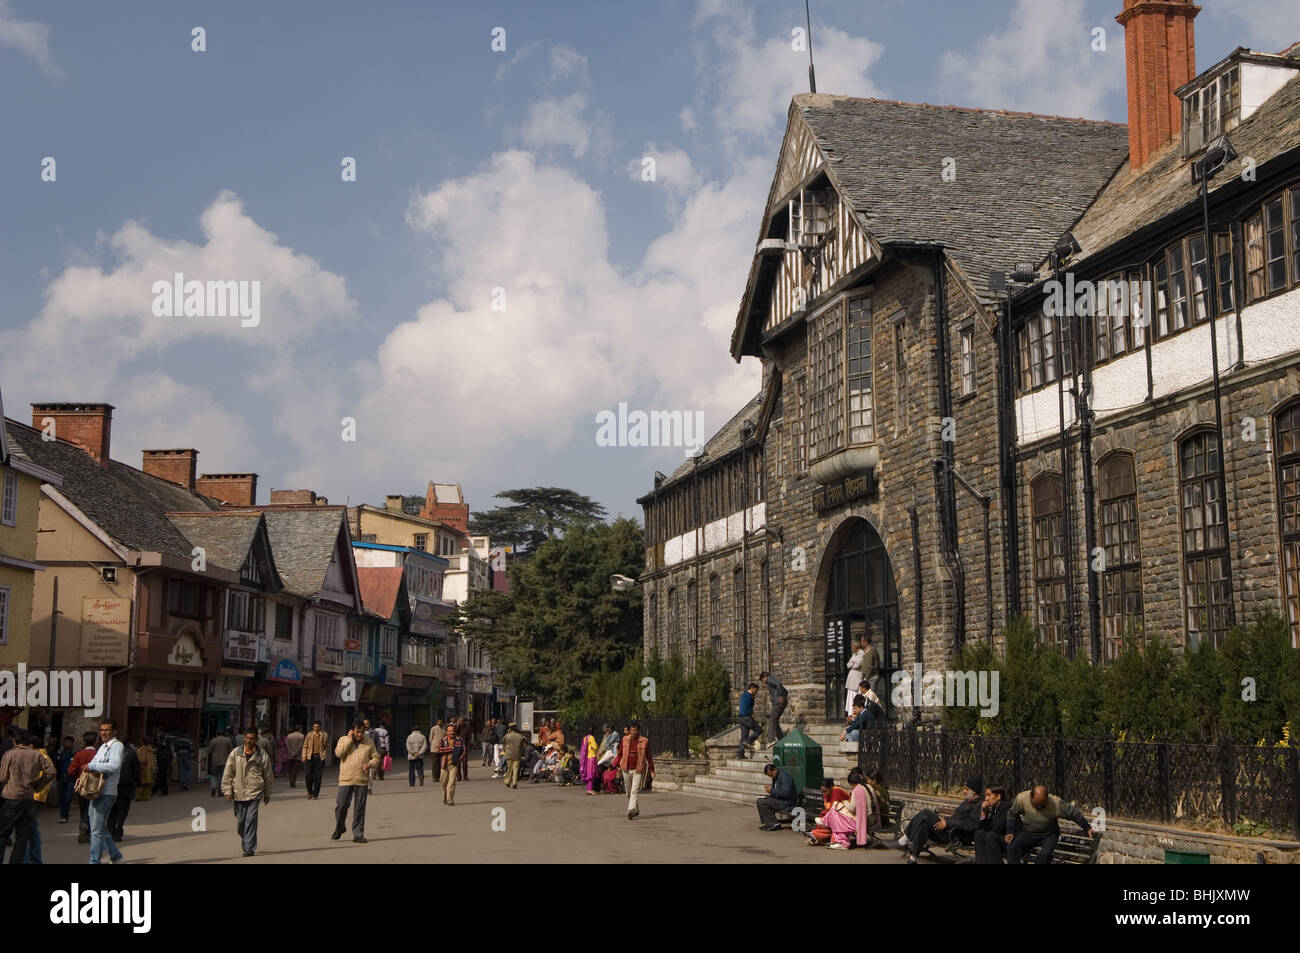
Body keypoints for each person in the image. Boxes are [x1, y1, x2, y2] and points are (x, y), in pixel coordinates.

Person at [898, 776, 983, 864]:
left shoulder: (978, 805)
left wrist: (947, 822)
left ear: (974, 791)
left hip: (954, 835)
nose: (964, 791)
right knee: (924, 825)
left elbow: (971, 824)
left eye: (966, 789)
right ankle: (913, 859)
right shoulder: (967, 801)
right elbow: (957, 817)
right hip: (948, 830)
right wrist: (945, 819)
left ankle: (904, 839)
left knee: (926, 813)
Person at [0, 730, 55, 864]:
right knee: (22, 837)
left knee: (3, 833)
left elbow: (2, 777)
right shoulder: (36, 755)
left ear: (15, 741)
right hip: (29, 798)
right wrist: (37, 785)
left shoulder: (10, 754)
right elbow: (51, 771)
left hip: (11, 797)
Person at [1005, 784, 1094, 864]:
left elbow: (1074, 814)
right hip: (1029, 833)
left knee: (1044, 856)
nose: (1039, 807)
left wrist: (1086, 827)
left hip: (1049, 835)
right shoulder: (1021, 799)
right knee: (1011, 848)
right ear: (1030, 797)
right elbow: (1012, 813)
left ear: (1047, 799)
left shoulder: (1056, 803)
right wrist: (1010, 831)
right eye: (1036, 804)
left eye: (1042, 804)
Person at [223, 727, 273, 857]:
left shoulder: (262, 755)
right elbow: (228, 773)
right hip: (238, 792)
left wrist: (267, 793)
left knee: (251, 819)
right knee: (241, 822)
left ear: (256, 739)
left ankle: (249, 847)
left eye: (252, 739)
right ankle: (246, 840)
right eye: (247, 738)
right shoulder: (235, 753)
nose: (249, 741)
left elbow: (268, 775)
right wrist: (227, 791)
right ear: (244, 738)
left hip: (254, 792)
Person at [86, 720, 126, 865]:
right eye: (102, 729)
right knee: (98, 828)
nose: (103, 732)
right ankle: (116, 856)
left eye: (107, 730)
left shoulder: (116, 746)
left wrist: (92, 765)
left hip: (106, 792)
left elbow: (114, 765)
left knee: (96, 831)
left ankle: (94, 861)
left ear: (114, 731)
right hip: (96, 791)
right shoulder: (103, 747)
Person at [332, 721, 378, 843]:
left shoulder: (369, 742)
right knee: (341, 806)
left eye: (362, 732)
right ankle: (340, 827)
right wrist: (349, 740)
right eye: (357, 732)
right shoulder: (343, 740)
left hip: (361, 780)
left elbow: (376, 757)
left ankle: (358, 834)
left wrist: (370, 764)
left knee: (359, 809)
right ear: (352, 731)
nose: (360, 734)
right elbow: (338, 753)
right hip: (345, 779)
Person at [821, 767, 878, 849]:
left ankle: (842, 841)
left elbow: (852, 808)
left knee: (836, 815)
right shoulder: (868, 786)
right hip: (872, 816)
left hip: (866, 819)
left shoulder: (857, 790)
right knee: (837, 811)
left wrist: (845, 802)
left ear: (851, 783)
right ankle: (826, 821)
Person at [108, 736, 141, 841]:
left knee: (112, 809)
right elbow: (136, 769)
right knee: (123, 808)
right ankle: (118, 829)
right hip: (126, 784)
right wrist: (139, 783)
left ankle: (110, 830)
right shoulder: (131, 753)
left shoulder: (110, 751)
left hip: (112, 784)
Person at [68, 731, 98, 843]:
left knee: (83, 808)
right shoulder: (98, 754)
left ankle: (84, 825)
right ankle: (86, 826)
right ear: (95, 742)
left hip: (81, 785)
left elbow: (71, 770)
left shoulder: (79, 755)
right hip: (95, 785)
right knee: (92, 808)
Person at [620, 722, 650, 821]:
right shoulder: (624, 739)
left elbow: (648, 756)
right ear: (629, 731)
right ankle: (636, 809)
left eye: (635, 730)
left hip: (638, 769)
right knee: (629, 793)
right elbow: (620, 753)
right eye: (632, 730)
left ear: (638, 730)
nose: (633, 732)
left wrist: (652, 769)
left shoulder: (644, 741)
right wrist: (615, 765)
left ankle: (630, 810)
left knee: (634, 791)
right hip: (626, 769)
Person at [756, 762, 798, 831]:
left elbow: (786, 793)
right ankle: (769, 823)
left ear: (774, 770)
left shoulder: (785, 777)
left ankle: (773, 823)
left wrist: (771, 790)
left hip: (786, 803)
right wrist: (770, 789)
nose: (771, 777)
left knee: (761, 802)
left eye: (771, 775)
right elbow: (776, 789)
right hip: (780, 799)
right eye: (770, 776)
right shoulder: (776, 776)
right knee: (760, 800)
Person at [974, 786, 1011, 864]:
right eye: (985, 795)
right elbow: (985, 828)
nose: (986, 798)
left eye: (989, 795)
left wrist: (987, 816)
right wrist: (984, 814)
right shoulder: (995, 807)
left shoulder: (1007, 806)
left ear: (998, 796)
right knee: (979, 833)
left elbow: (997, 829)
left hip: (1010, 841)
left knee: (990, 836)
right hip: (997, 838)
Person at [437, 721, 465, 806]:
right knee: (443, 783)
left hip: (453, 764)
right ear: (446, 732)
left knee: (451, 783)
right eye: (449, 731)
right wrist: (451, 749)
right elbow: (440, 750)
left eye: (452, 731)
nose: (451, 732)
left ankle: (450, 799)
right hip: (444, 764)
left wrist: (458, 759)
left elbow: (463, 751)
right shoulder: (443, 740)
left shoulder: (459, 740)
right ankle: (444, 798)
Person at [759, 671, 788, 746]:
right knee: (775, 719)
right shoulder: (772, 680)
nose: (764, 683)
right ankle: (780, 737)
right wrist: (784, 697)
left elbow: (779, 684)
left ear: (764, 677)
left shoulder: (769, 680)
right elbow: (786, 691)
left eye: (763, 681)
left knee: (772, 719)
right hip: (782, 702)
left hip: (777, 702)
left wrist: (781, 696)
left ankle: (771, 739)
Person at [301, 721, 328, 799]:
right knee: (308, 775)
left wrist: (325, 754)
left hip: (320, 758)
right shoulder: (309, 735)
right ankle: (309, 792)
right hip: (310, 757)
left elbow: (327, 746)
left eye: (317, 727)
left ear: (320, 727)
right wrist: (304, 756)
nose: (315, 728)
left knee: (318, 777)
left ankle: (315, 794)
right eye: (314, 727)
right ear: (313, 727)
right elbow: (305, 746)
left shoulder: (324, 735)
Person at [54, 736, 75, 824]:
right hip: (61, 777)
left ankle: (65, 814)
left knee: (68, 797)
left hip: (70, 777)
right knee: (61, 797)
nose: (67, 744)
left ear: (72, 743)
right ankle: (62, 814)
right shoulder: (60, 753)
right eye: (66, 742)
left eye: (69, 742)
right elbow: (56, 763)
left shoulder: (74, 753)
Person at [737, 682, 761, 759]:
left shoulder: (744, 695)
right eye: (756, 690)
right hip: (746, 717)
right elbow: (746, 705)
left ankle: (740, 754)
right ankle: (748, 741)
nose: (756, 692)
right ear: (752, 688)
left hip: (741, 718)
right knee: (759, 730)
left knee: (743, 736)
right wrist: (751, 713)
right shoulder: (749, 696)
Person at [208, 730, 234, 798]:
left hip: (215, 761)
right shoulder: (227, 740)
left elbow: (209, 751)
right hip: (225, 761)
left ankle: (213, 787)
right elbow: (231, 750)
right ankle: (220, 790)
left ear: (217, 734)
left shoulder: (213, 741)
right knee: (222, 776)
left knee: (214, 775)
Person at [845, 637, 865, 717]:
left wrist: (853, 664)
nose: (851, 648)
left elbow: (856, 665)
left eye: (852, 646)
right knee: (850, 698)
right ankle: (851, 714)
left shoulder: (861, 654)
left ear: (856, 646)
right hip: (851, 680)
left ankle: (856, 715)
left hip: (856, 679)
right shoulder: (854, 655)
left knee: (855, 696)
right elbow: (848, 664)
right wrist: (852, 663)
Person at [502, 723, 526, 789]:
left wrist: (505, 751)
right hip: (517, 755)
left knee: (509, 768)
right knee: (516, 769)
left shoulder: (507, 736)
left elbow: (503, 743)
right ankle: (515, 783)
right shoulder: (520, 736)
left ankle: (507, 781)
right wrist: (521, 752)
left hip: (509, 754)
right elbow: (523, 746)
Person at [153, 730, 173, 796]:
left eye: (158, 733)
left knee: (160, 774)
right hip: (165, 758)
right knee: (163, 775)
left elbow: (161, 748)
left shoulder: (164, 739)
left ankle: (154, 789)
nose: (157, 734)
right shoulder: (166, 739)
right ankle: (164, 791)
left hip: (163, 759)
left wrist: (156, 750)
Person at [135, 737, 155, 802]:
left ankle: (139, 796)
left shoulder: (141, 749)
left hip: (143, 768)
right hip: (150, 768)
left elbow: (142, 759)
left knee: (141, 783)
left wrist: (141, 767)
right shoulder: (151, 749)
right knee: (148, 783)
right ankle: (146, 796)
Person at [580, 728, 599, 794]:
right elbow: (595, 746)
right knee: (591, 773)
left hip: (587, 758)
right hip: (592, 757)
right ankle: (590, 789)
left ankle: (589, 788)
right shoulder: (591, 737)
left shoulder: (585, 738)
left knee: (588, 773)